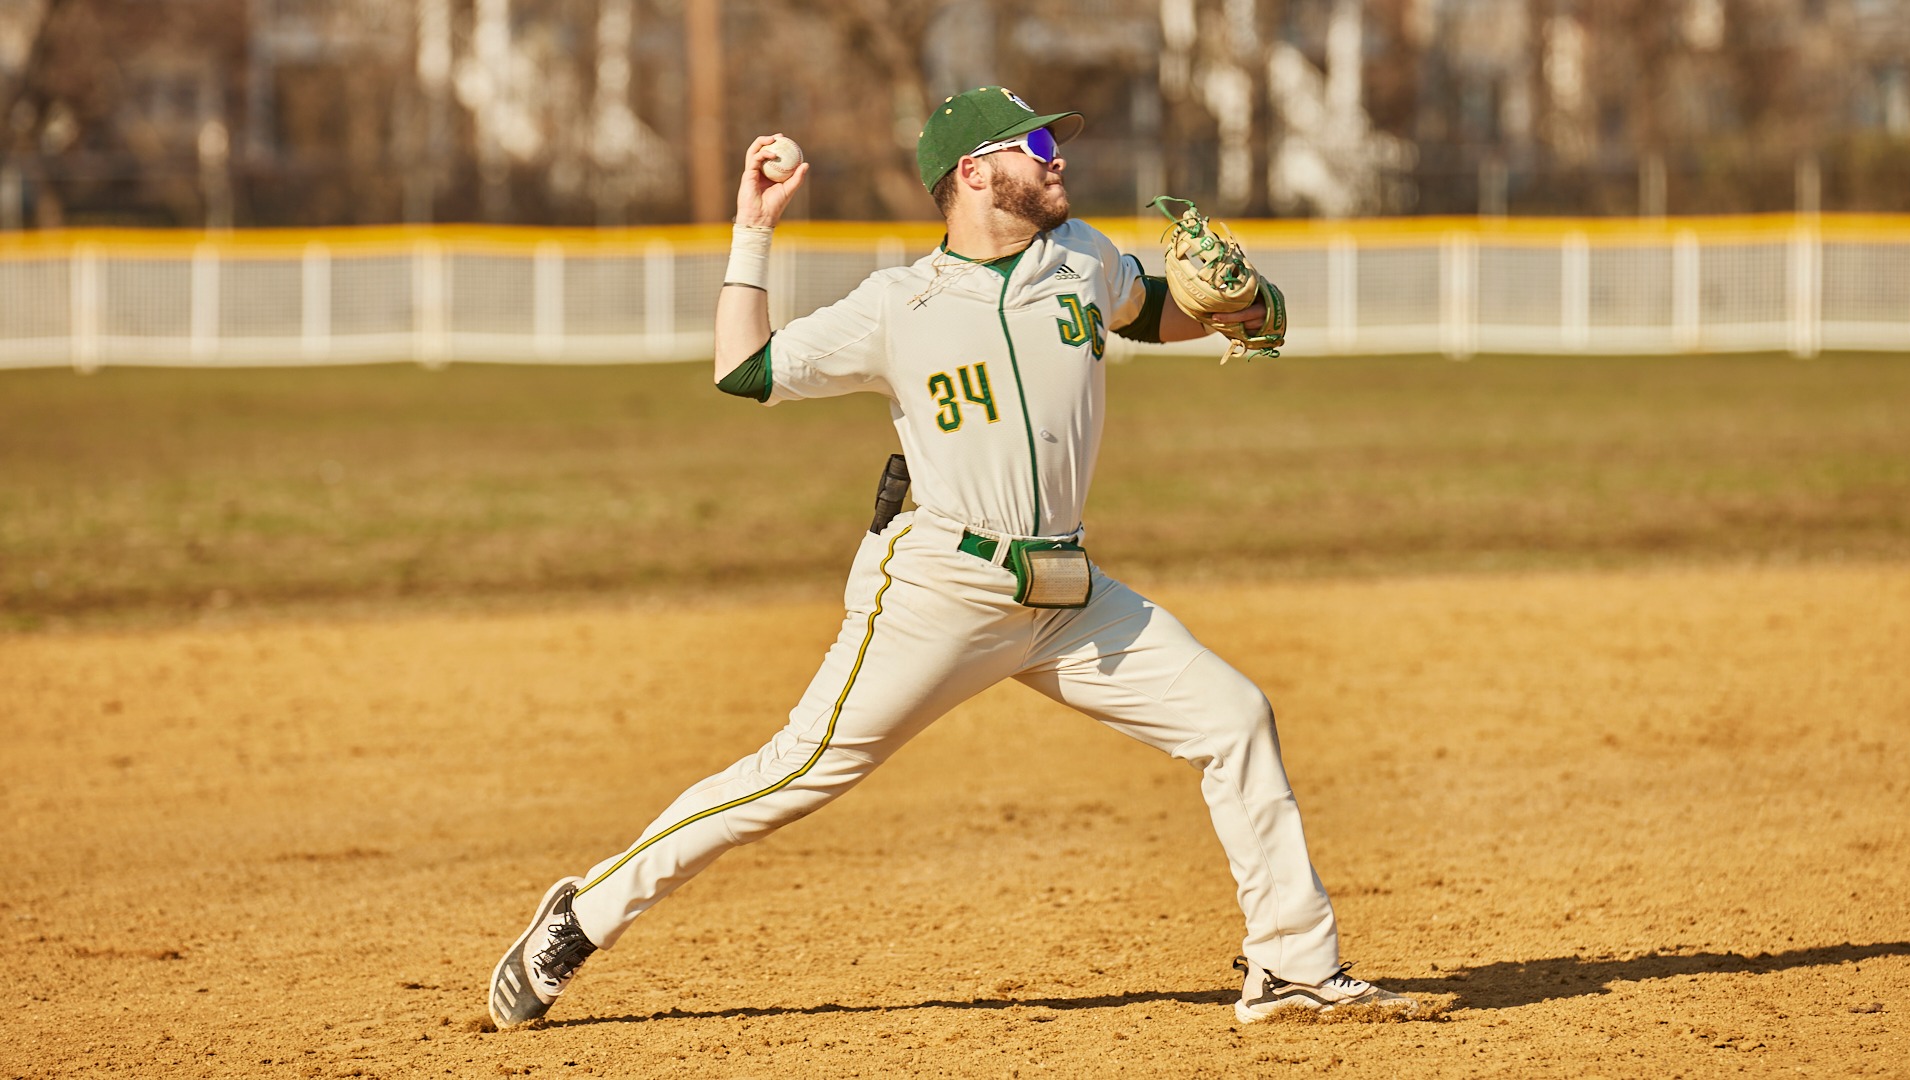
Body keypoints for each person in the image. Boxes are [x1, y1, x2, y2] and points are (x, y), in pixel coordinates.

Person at [487, 86, 1415, 1029]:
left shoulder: (1083, 256)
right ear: (973, 171)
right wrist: (753, 230)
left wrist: (1237, 305)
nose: (1056, 155)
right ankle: (583, 914)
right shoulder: (900, 304)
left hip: (1068, 594)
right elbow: (744, 367)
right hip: (945, 586)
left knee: (1233, 718)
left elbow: (1151, 313)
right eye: (1034, 144)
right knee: (793, 774)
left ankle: (1291, 967)